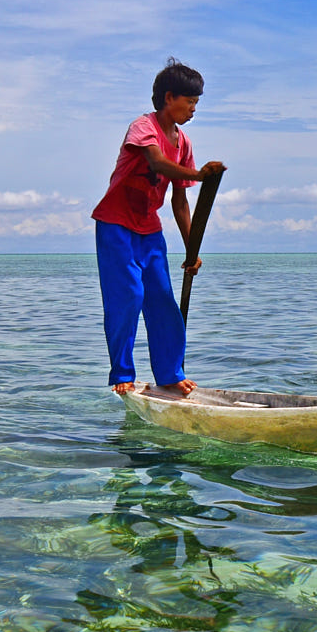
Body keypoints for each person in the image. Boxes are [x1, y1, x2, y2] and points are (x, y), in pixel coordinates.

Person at [92, 58, 226, 396]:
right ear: (169, 98)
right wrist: (198, 175)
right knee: (128, 296)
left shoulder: (184, 143)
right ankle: (122, 373)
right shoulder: (143, 126)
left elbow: (179, 202)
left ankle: (169, 373)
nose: (194, 109)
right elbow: (154, 161)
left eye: (197, 102)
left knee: (162, 301)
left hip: (150, 230)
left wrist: (192, 251)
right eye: (190, 101)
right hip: (116, 225)